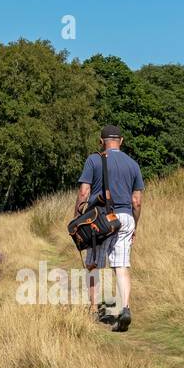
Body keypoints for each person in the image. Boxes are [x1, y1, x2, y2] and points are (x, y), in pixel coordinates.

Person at [74, 126, 144, 333]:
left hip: (100, 219)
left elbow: (84, 192)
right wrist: (135, 225)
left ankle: (94, 309)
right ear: (121, 141)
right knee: (121, 266)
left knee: (94, 264)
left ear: (101, 141)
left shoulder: (93, 160)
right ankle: (125, 308)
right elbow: (137, 201)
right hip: (125, 218)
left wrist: (77, 218)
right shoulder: (133, 164)